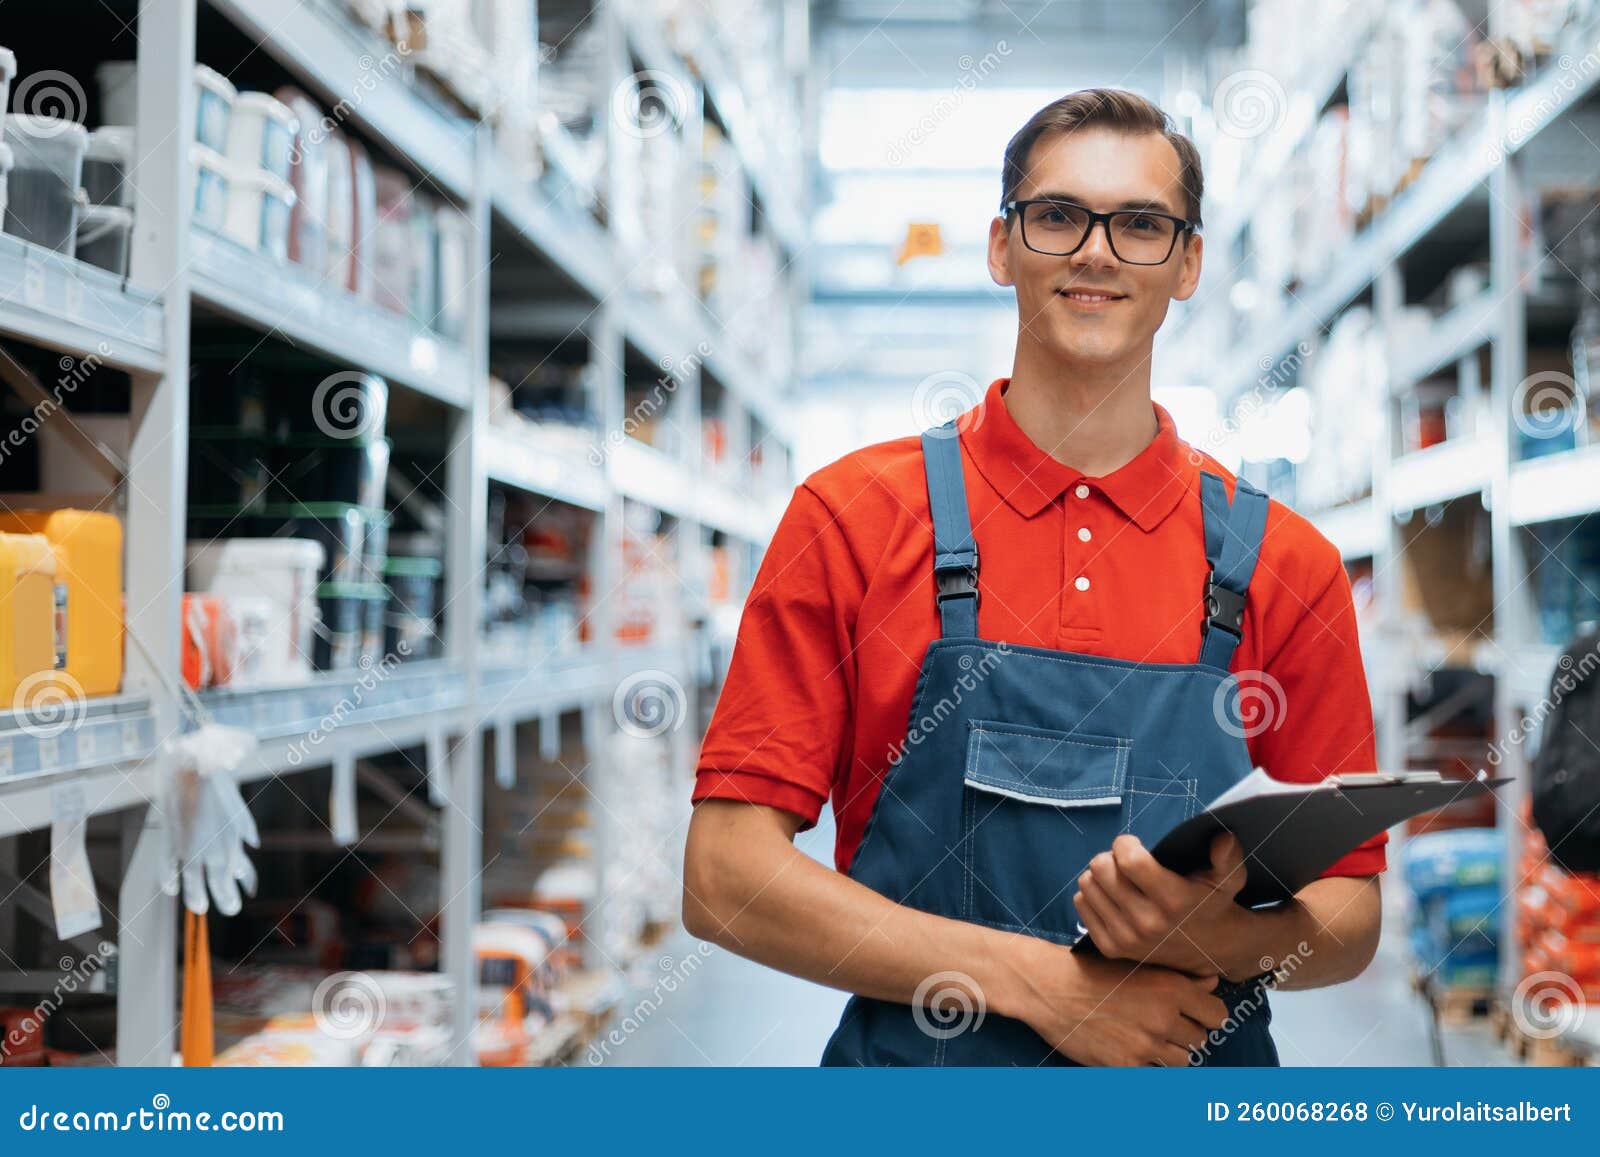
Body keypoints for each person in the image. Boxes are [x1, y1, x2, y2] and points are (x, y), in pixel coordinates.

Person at [683, 88, 1383, 1067]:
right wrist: (1042, 984)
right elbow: (724, 876)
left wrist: (1216, 938)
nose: (1095, 251)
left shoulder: (1285, 563)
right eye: (1056, 215)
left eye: (1141, 223)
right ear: (1000, 245)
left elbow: (1349, 908)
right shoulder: (851, 518)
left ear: (1187, 263)